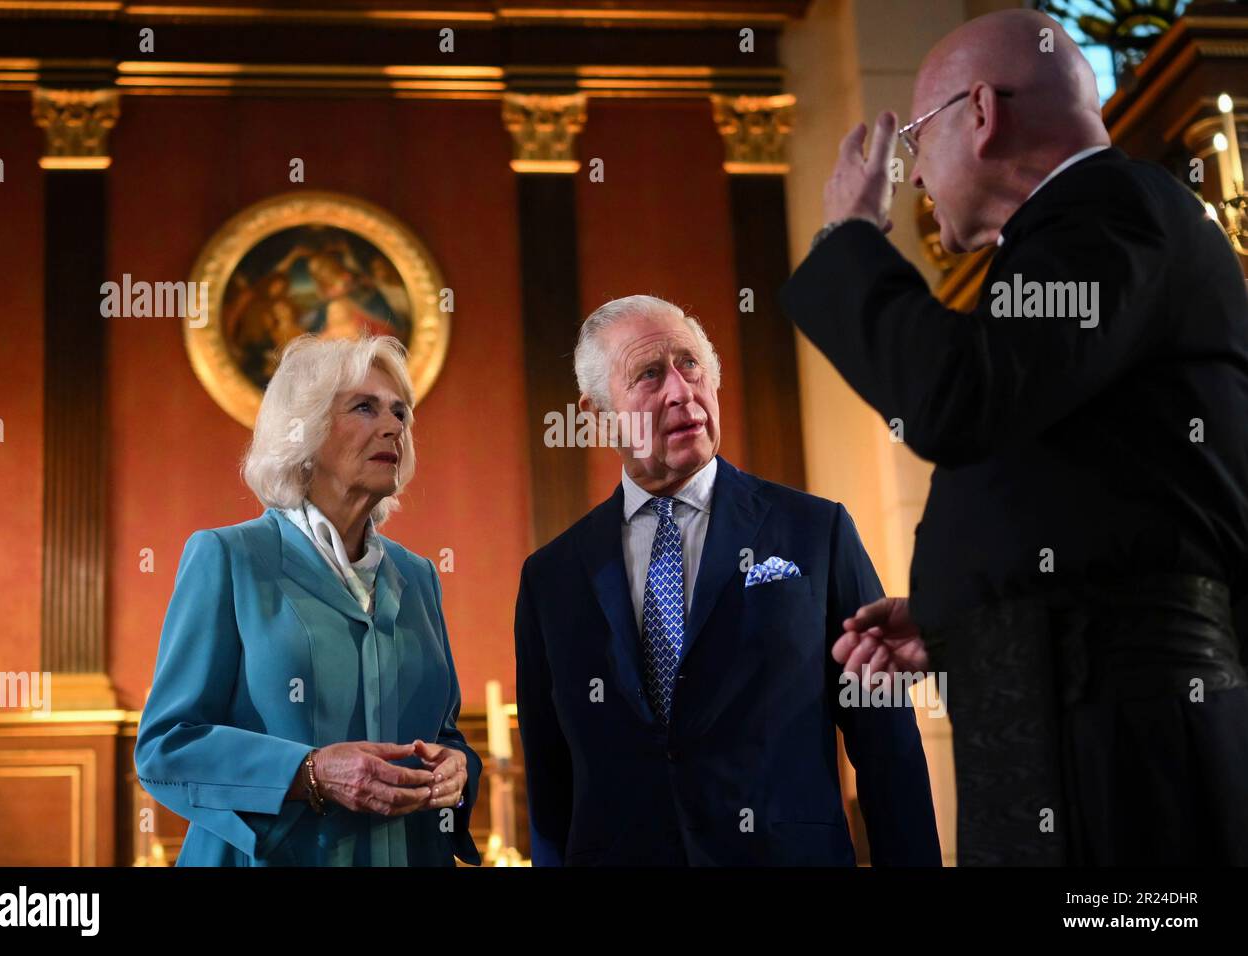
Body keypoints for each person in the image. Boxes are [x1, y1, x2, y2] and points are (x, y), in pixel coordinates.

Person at [780, 9, 1248, 864]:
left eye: (918, 138)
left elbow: (959, 399)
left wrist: (849, 238)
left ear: (984, 113)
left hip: (1122, 739)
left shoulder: (1114, 208)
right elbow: (1086, 487)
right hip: (1071, 715)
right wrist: (961, 613)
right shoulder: (1081, 234)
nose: (914, 173)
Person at [515, 295, 940, 866]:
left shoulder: (816, 531)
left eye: (690, 364)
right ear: (595, 417)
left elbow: (886, 742)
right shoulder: (553, 577)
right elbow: (550, 780)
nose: (679, 390)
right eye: (648, 374)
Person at [135, 333, 481, 866]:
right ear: (304, 432)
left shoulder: (418, 577)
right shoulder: (228, 558)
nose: (393, 426)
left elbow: (444, 734)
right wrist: (310, 772)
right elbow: (167, 748)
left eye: (400, 412)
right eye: (364, 408)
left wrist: (457, 766)